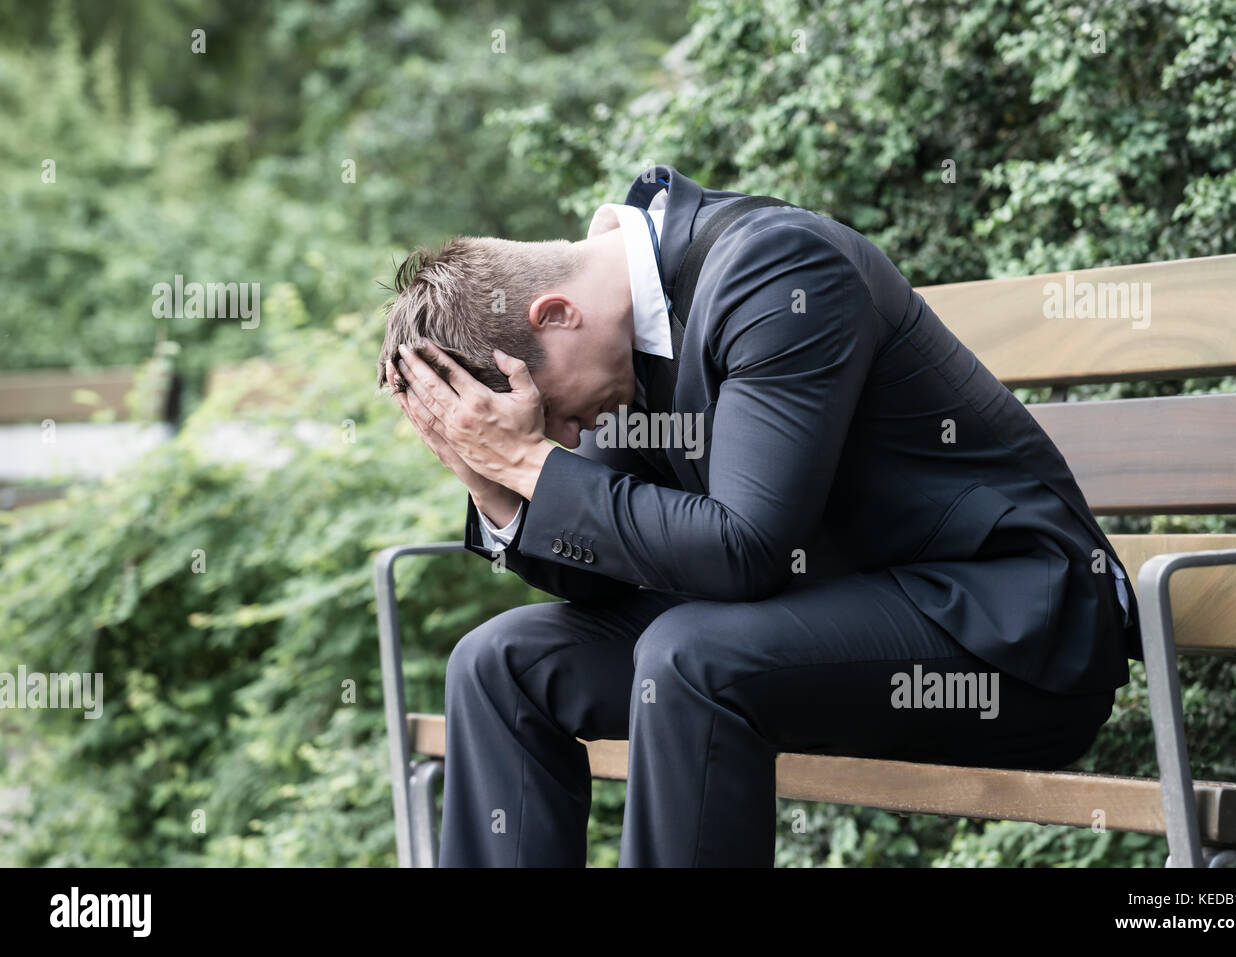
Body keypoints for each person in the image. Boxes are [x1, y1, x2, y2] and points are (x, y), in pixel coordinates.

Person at [378, 164, 1141, 867]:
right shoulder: (622, 335)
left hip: (1002, 633)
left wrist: (525, 462)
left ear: (555, 315)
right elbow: (605, 568)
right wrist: (492, 484)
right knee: (498, 662)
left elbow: (745, 549)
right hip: (822, 619)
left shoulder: (776, 268)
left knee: (689, 654)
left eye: (553, 415)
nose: (570, 437)